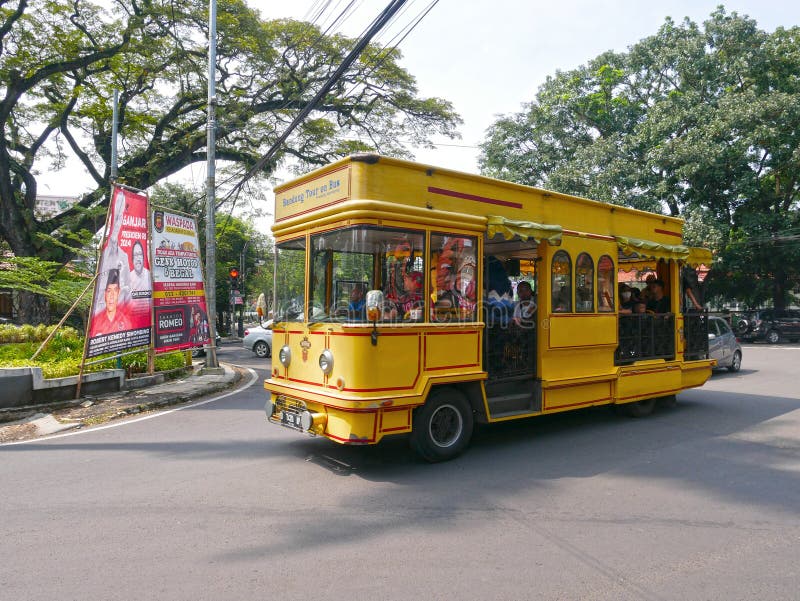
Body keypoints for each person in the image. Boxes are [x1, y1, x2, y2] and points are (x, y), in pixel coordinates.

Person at [90, 268, 132, 336]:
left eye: (115, 291)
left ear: (118, 293)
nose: (111, 296)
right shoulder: (97, 320)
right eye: (109, 291)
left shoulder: (125, 320)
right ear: (105, 294)